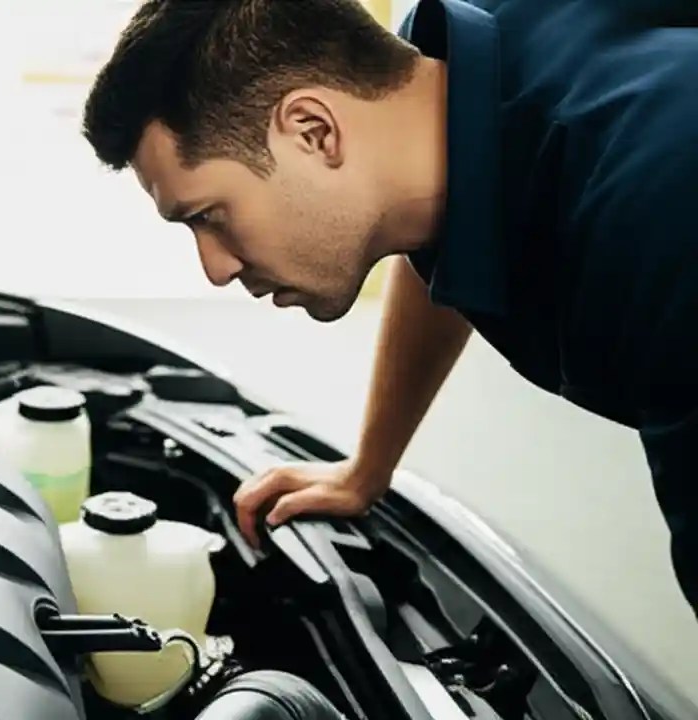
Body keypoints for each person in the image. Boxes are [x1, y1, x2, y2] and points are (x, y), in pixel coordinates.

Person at [80, 0, 698, 612]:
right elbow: (437, 236)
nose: (216, 269)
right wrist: (369, 467)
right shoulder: (437, 85)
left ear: (313, 131)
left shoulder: (660, 226)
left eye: (208, 216)